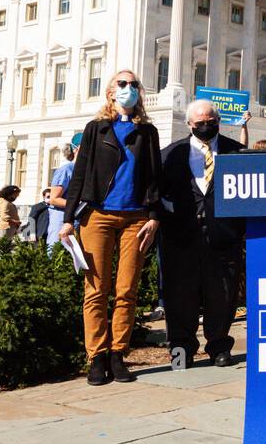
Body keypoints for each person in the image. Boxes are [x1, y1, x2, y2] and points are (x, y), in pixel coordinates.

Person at [60, 70, 163, 386]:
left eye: (134, 84)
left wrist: (155, 216)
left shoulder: (147, 131)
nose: (129, 88)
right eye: (122, 83)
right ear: (110, 92)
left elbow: (156, 178)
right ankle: (97, 356)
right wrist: (67, 219)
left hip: (135, 219)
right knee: (96, 289)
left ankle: (118, 354)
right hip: (98, 216)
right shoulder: (96, 129)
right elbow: (80, 174)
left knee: (127, 290)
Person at [159, 99, 245, 368]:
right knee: (179, 297)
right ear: (189, 124)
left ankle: (219, 346)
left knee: (221, 295)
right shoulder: (170, 155)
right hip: (180, 236)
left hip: (222, 235)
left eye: (211, 122)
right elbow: (158, 195)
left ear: (218, 121)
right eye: (200, 123)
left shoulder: (237, 153)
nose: (206, 126)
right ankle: (181, 349)